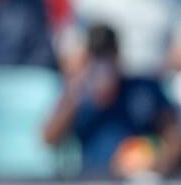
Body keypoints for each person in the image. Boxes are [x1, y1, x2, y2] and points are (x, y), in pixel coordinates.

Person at [43, 24, 180, 176]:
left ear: (117, 56)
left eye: (107, 57)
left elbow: (174, 135)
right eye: (96, 58)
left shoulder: (144, 90)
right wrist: (77, 90)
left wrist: (156, 166)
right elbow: (49, 138)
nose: (103, 66)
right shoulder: (77, 95)